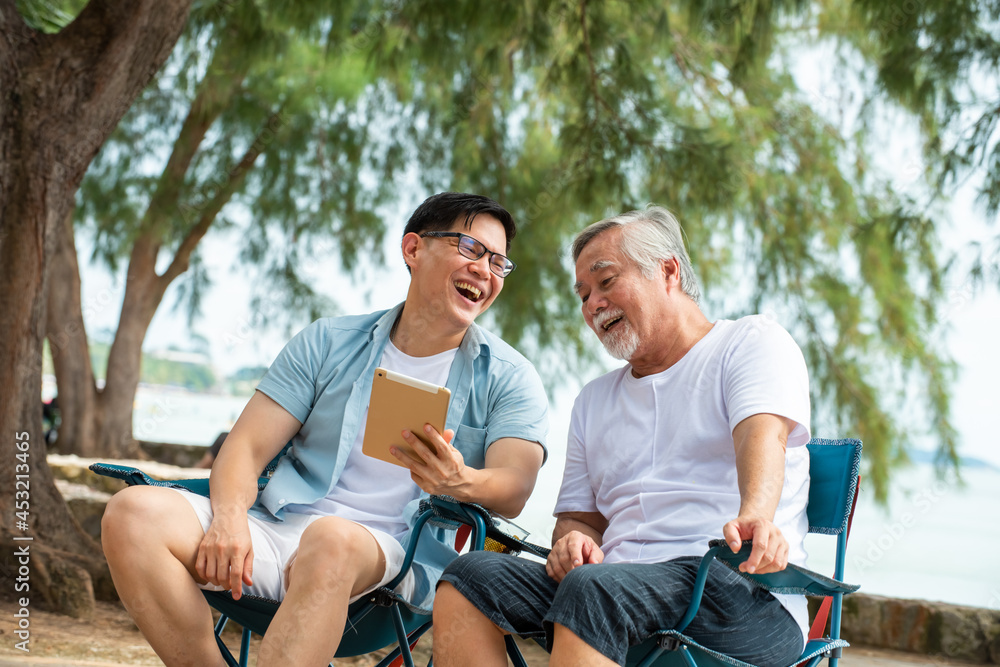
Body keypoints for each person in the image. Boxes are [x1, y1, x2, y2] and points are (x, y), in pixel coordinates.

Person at [101, 192, 549, 667]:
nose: (484, 270)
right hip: (279, 528)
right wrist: (229, 518)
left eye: (498, 262)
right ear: (413, 249)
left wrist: (461, 480)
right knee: (132, 513)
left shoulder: (508, 376)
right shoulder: (328, 342)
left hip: (393, 565)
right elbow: (245, 448)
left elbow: (515, 486)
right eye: (471, 248)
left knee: (331, 539)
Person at [433, 205, 812, 667]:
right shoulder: (593, 400)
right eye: (583, 294)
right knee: (468, 578)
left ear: (668, 271)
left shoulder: (749, 342)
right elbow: (579, 521)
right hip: (613, 589)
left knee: (593, 590)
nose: (593, 304)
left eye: (606, 281)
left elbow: (763, 438)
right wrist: (572, 544)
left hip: (739, 591)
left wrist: (756, 516)